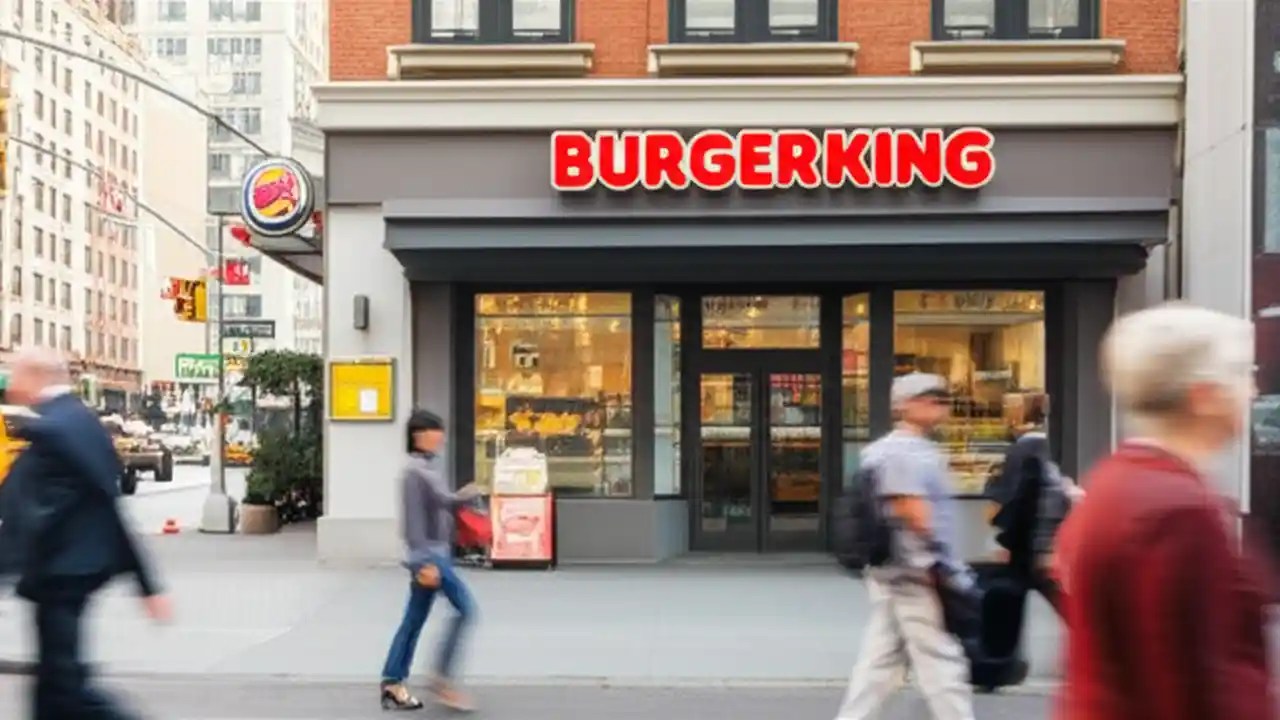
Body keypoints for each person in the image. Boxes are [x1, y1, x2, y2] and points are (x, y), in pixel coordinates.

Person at [1055, 303, 1274, 720]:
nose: (1253, 391)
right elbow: (1201, 686)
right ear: (1203, 396)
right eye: (1244, 374)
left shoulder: (1112, 484)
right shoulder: (1178, 511)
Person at [1, 348, 170, 719]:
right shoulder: (79, 421)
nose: (11, 385)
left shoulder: (53, 430)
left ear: (35, 377)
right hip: (70, 569)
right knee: (52, 685)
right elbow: (105, 504)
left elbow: (32, 514)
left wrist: (147, 582)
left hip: (62, 572)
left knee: (64, 685)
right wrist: (147, 583)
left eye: (15, 375)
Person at [834, 372, 975, 720]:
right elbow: (912, 510)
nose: (939, 405)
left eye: (942, 398)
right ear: (903, 406)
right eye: (929, 398)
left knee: (879, 663)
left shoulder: (896, 449)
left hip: (894, 572)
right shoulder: (902, 452)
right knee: (941, 661)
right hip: (913, 571)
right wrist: (937, 565)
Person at [379, 409, 483, 712]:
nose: (441, 437)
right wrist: (422, 563)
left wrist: (461, 498)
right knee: (466, 610)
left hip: (434, 555)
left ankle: (393, 682)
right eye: (436, 431)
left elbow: (441, 504)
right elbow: (413, 524)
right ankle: (442, 679)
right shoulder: (414, 472)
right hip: (430, 558)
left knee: (413, 621)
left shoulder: (425, 468)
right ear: (419, 435)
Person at [985, 404, 1082, 614]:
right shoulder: (1044, 450)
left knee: (1011, 599)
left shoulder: (1022, 451)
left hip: (1030, 544)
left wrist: (1006, 540)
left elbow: (1015, 498)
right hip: (1039, 542)